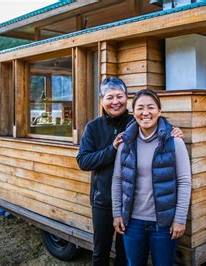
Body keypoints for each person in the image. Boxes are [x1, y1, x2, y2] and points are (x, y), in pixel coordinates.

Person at [76, 78, 183, 266]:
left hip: (131, 204)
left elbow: (154, 121)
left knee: (124, 254)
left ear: (127, 98)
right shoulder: (93, 127)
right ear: (102, 100)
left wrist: (173, 130)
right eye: (110, 97)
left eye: (120, 96)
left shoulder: (134, 122)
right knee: (100, 251)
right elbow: (83, 161)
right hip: (103, 201)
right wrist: (112, 149)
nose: (115, 101)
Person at [111, 89, 192, 266]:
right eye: (140, 108)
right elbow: (117, 179)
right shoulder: (126, 143)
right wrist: (117, 213)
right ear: (134, 113)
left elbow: (184, 182)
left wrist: (179, 218)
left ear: (159, 111)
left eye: (151, 107)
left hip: (163, 224)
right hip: (132, 223)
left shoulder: (174, 142)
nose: (145, 112)